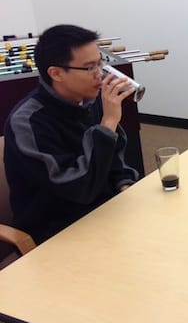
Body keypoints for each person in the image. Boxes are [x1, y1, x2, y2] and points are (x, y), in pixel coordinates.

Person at [3, 24, 139, 244]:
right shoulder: (27, 122)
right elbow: (79, 189)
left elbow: (115, 158)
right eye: (89, 68)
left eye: (100, 63)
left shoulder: (91, 99)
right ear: (56, 73)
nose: (100, 75)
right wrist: (108, 123)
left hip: (102, 214)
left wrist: (125, 186)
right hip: (56, 231)